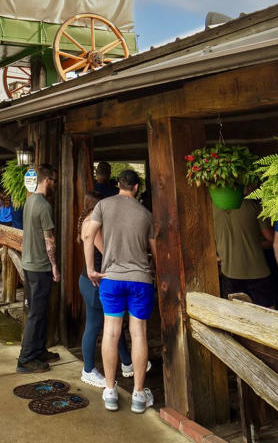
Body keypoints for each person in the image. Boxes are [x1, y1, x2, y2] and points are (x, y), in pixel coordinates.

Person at [83, 169, 156, 413]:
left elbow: (88, 236)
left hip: (111, 278)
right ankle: (137, 395)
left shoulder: (103, 206)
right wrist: (153, 273)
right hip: (140, 280)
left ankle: (111, 390)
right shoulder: (146, 214)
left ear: (118, 185)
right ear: (136, 187)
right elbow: (155, 252)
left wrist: (91, 268)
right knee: (138, 334)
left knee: (111, 333)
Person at [78, 191, 138, 388]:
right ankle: (88, 370)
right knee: (94, 325)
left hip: (95, 280)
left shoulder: (92, 221)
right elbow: (107, 252)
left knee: (114, 323)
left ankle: (128, 363)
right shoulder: (93, 224)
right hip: (95, 282)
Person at [16, 163, 61, 373]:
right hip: (40, 266)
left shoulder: (30, 201)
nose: (55, 184)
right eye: (53, 180)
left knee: (40, 311)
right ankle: (25, 359)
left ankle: (38, 350)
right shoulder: (44, 206)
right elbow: (48, 240)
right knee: (36, 312)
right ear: (45, 180)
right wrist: (54, 266)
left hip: (29, 263)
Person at [213, 198, 276, 308]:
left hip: (229, 273)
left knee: (234, 316)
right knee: (267, 317)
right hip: (258, 273)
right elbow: (272, 239)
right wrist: (253, 243)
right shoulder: (253, 205)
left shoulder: (212, 206)